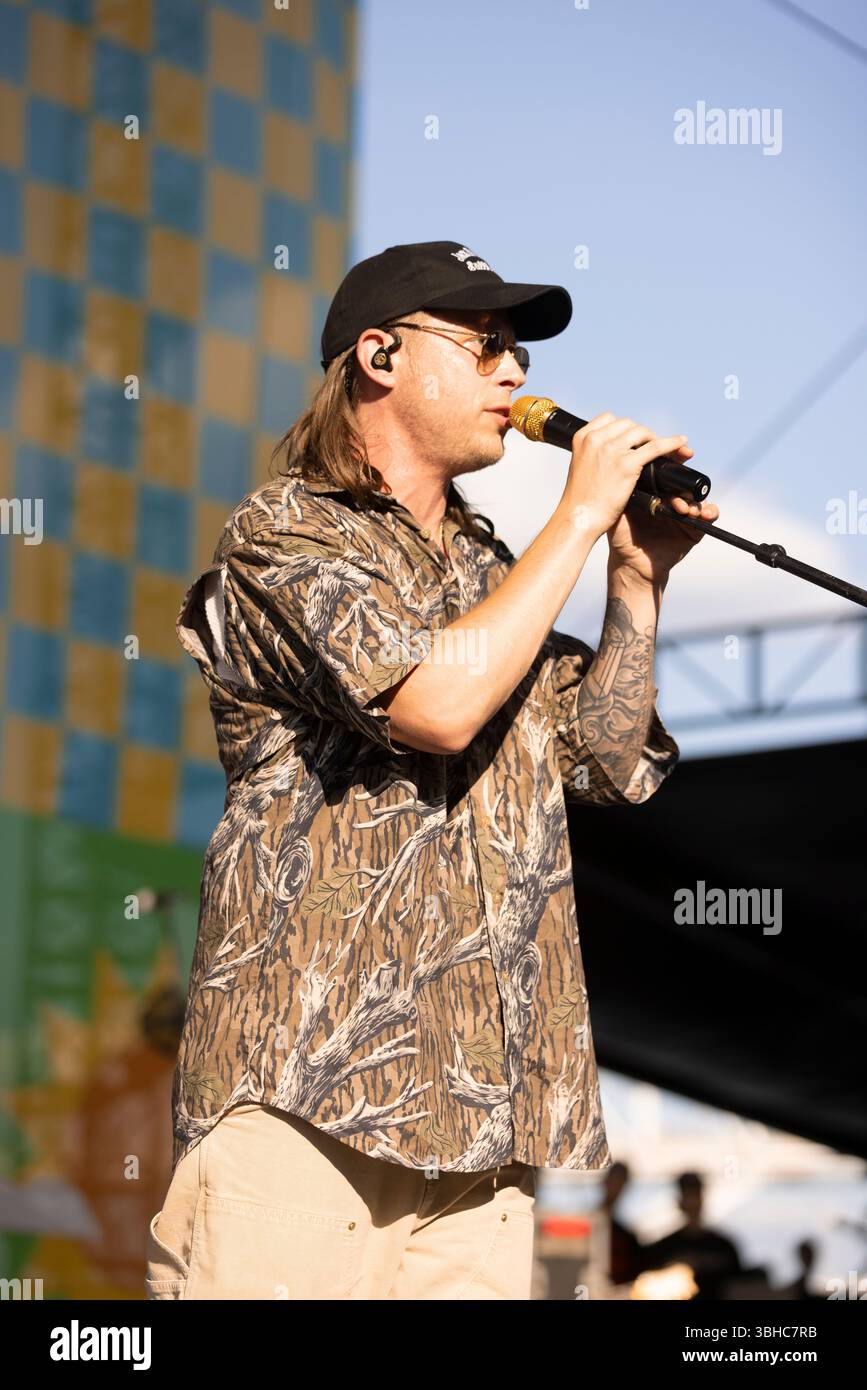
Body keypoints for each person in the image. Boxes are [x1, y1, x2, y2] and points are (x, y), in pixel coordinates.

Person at [146, 240, 719, 1300]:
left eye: (520, 353)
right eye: (488, 345)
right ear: (379, 355)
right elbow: (438, 706)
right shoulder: (284, 535)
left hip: (482, 1120)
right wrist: (580, 515)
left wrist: (633, 578)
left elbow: (602, 761)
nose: (517, 375)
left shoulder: (493, 570)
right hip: (306, 1097)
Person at [640, 1171, 743, 1300]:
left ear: (702, 1199)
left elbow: (740, 1283)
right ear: (679, 1201)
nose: (692, 1201)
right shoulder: (662, 1248)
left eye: (695, 1194)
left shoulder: (724, 1247)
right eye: (688, 1195)